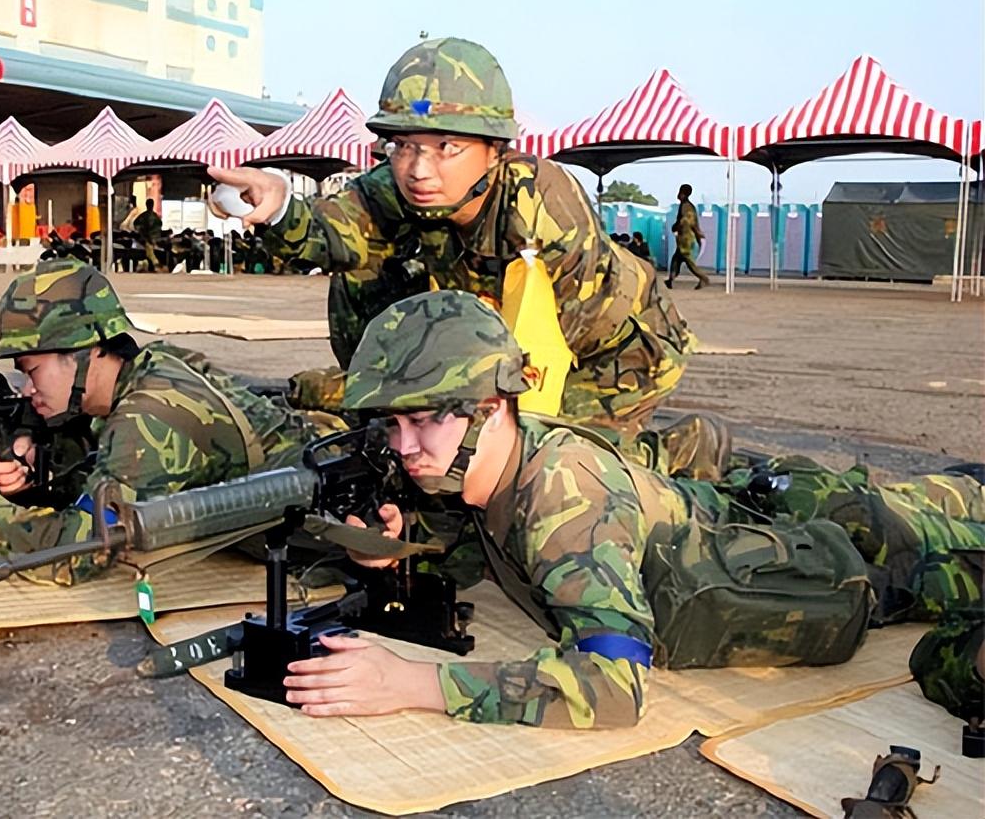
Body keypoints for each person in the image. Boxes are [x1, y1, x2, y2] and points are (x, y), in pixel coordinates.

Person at [280, 290, 985, 725]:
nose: (404, 447)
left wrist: (412, 684)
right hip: (758, 506)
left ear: (492, 409)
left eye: (425, 421)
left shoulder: (565, 493)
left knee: (958, 539)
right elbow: (490, 549)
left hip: (854, 551)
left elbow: (616, 690)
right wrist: (400, 546)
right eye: (391, 425)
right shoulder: (485, 466)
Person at [206, 37, 691, 436]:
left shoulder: (542, 215)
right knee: (363, 266)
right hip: (493, 331)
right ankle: (377, 393)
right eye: (403, 146)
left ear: (495, 151)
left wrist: (449, 416)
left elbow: (533, 368)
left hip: (608, 357)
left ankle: (681, 449)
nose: (419, 169)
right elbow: (329, 232)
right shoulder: (396, 188)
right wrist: (279, 205)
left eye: (447, 147)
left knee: (551, 465)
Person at [0, 259, 344, 584]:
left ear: (87, 354)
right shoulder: (150, 369)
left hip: (332, 531)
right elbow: (108, 474)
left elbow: (73, 558)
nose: (26, 389)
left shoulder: (147, 417)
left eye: (33, 371)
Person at [667, 184, 710, 289]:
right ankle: (670, 279)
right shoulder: (684, 205)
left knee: (689, 261)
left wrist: (676, 226)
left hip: (686, 239)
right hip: (684, 238)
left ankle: (704, 278)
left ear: (684, 193)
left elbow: (687, 222)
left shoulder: (687, 206)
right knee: (676, 260)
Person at [133, 199, 163, 271]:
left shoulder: (152, 216)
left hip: (152, 239)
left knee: (149, 247)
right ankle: (155, 262)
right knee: (149, 247)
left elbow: (159, 227)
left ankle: (154, 262)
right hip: (147, 238)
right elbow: (136, 225)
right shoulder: (150, 216)